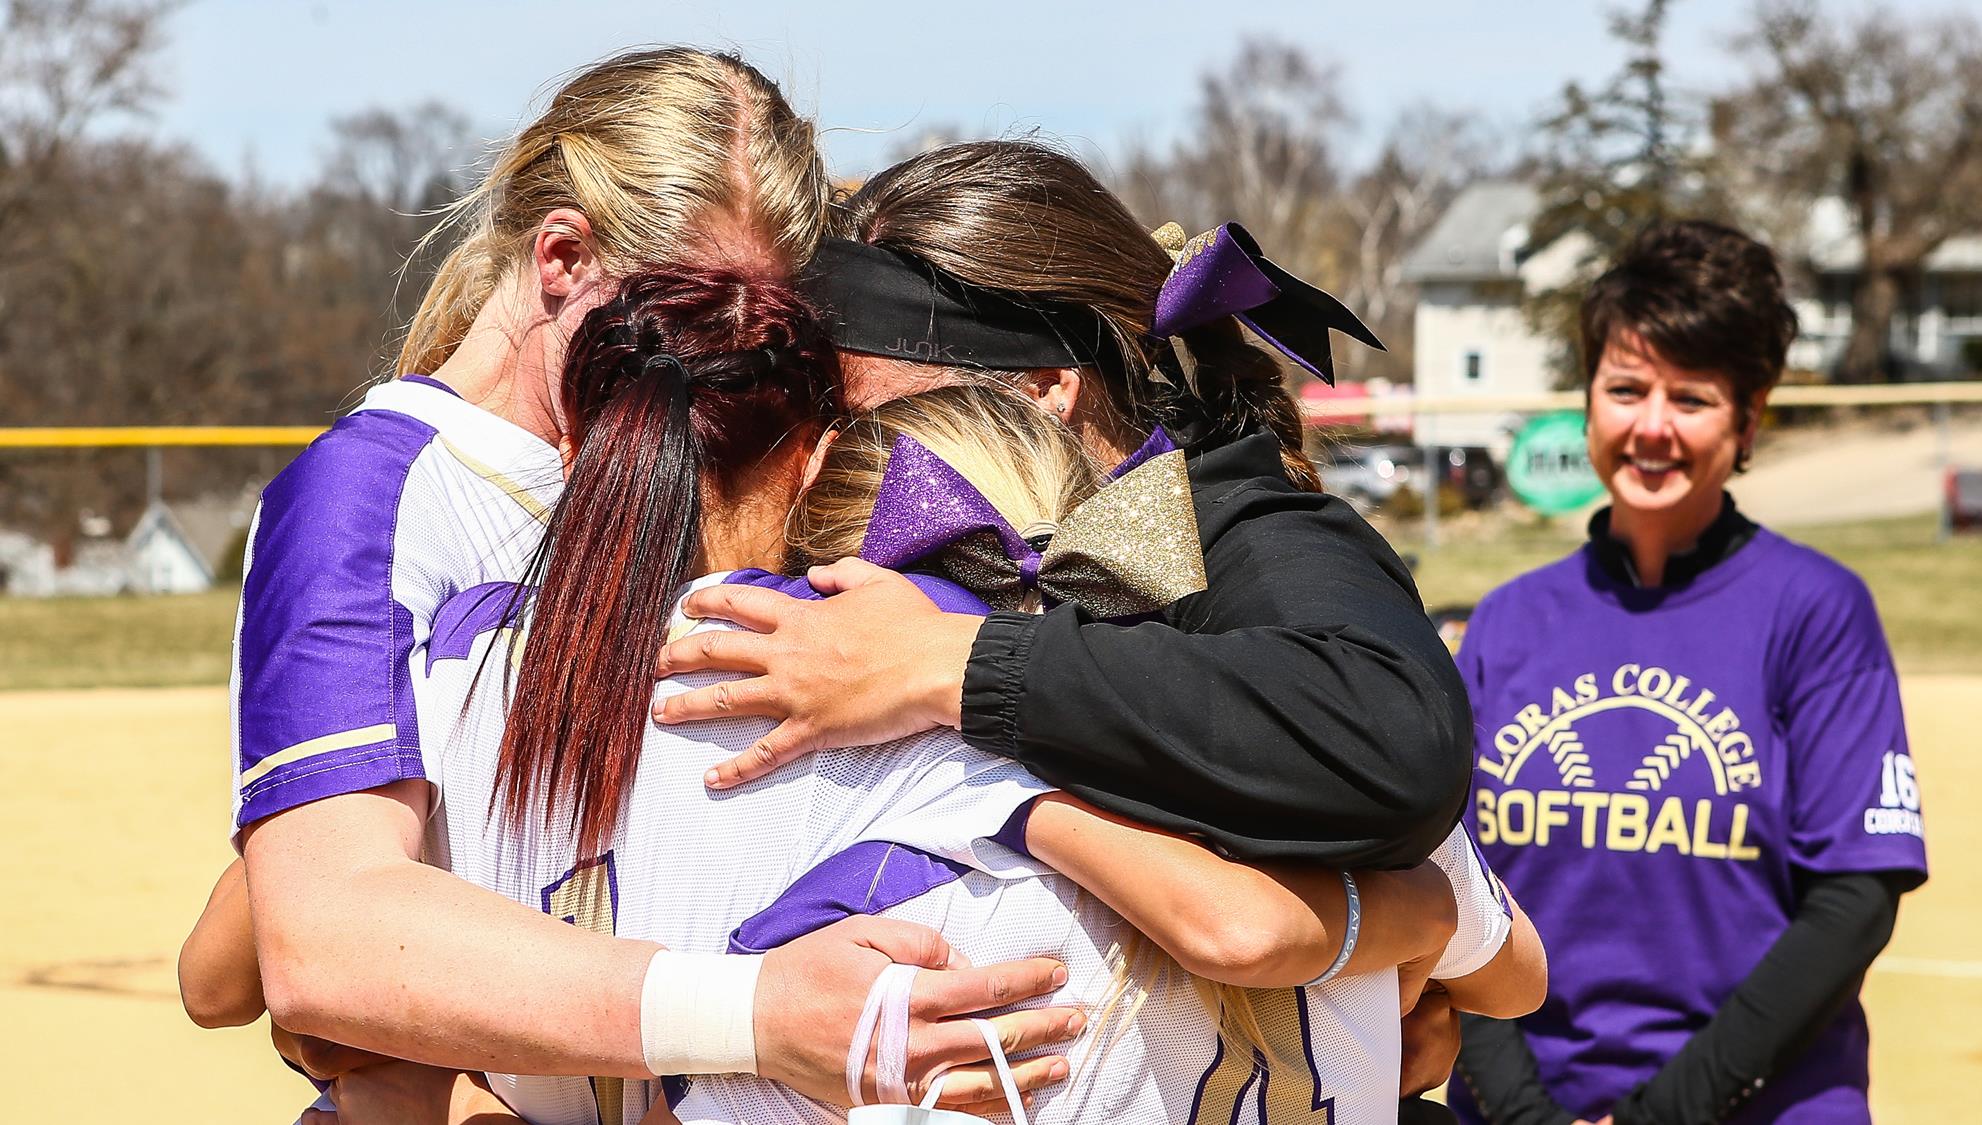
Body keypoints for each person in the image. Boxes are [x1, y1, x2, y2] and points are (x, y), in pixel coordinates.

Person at [395, 271, 1543, 1124]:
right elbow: (1434, 959)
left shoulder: (539, 671)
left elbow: (272, 967)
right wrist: (1413, 923)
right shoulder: (1204, 706)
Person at [196, 48, 1074, 1111]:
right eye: (687, 302)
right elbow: (324, 935)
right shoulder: (378, 493)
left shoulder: (737, 451)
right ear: (561, 257)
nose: (722, 350)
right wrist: (751, 1017)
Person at [655, 139, 1473, 871]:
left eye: (863, 416)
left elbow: (1396, 736)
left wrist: (954, 664)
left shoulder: (1239, 530)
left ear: (1045, 390)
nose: (828, 453)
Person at [1447, 221, 1929, 1124]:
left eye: (1693, 397)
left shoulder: (1816, 611)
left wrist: (1663, 1114)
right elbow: (1447, 883)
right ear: (1588, 403)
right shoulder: (1509, 620)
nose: (1652, 427)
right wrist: (1520, 1112)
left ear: (1748, 420)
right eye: (1625, 388)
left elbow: (1856, 897)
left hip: (1756, 1103)